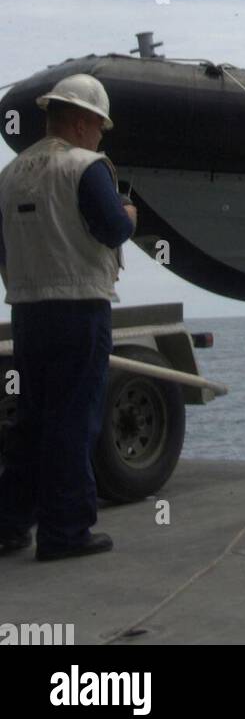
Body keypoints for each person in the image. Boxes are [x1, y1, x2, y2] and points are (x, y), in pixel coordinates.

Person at [0, 74, 136, 562]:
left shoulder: (12, 173)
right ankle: (67, 531)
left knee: (32, 419)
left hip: (28, 311)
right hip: (80, 307)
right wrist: (129, 213)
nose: (101, 136)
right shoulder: (86, 167)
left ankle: (10, 524)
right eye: (100, 126)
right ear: (82, 123)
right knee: (74, 420)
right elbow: (112, 228)